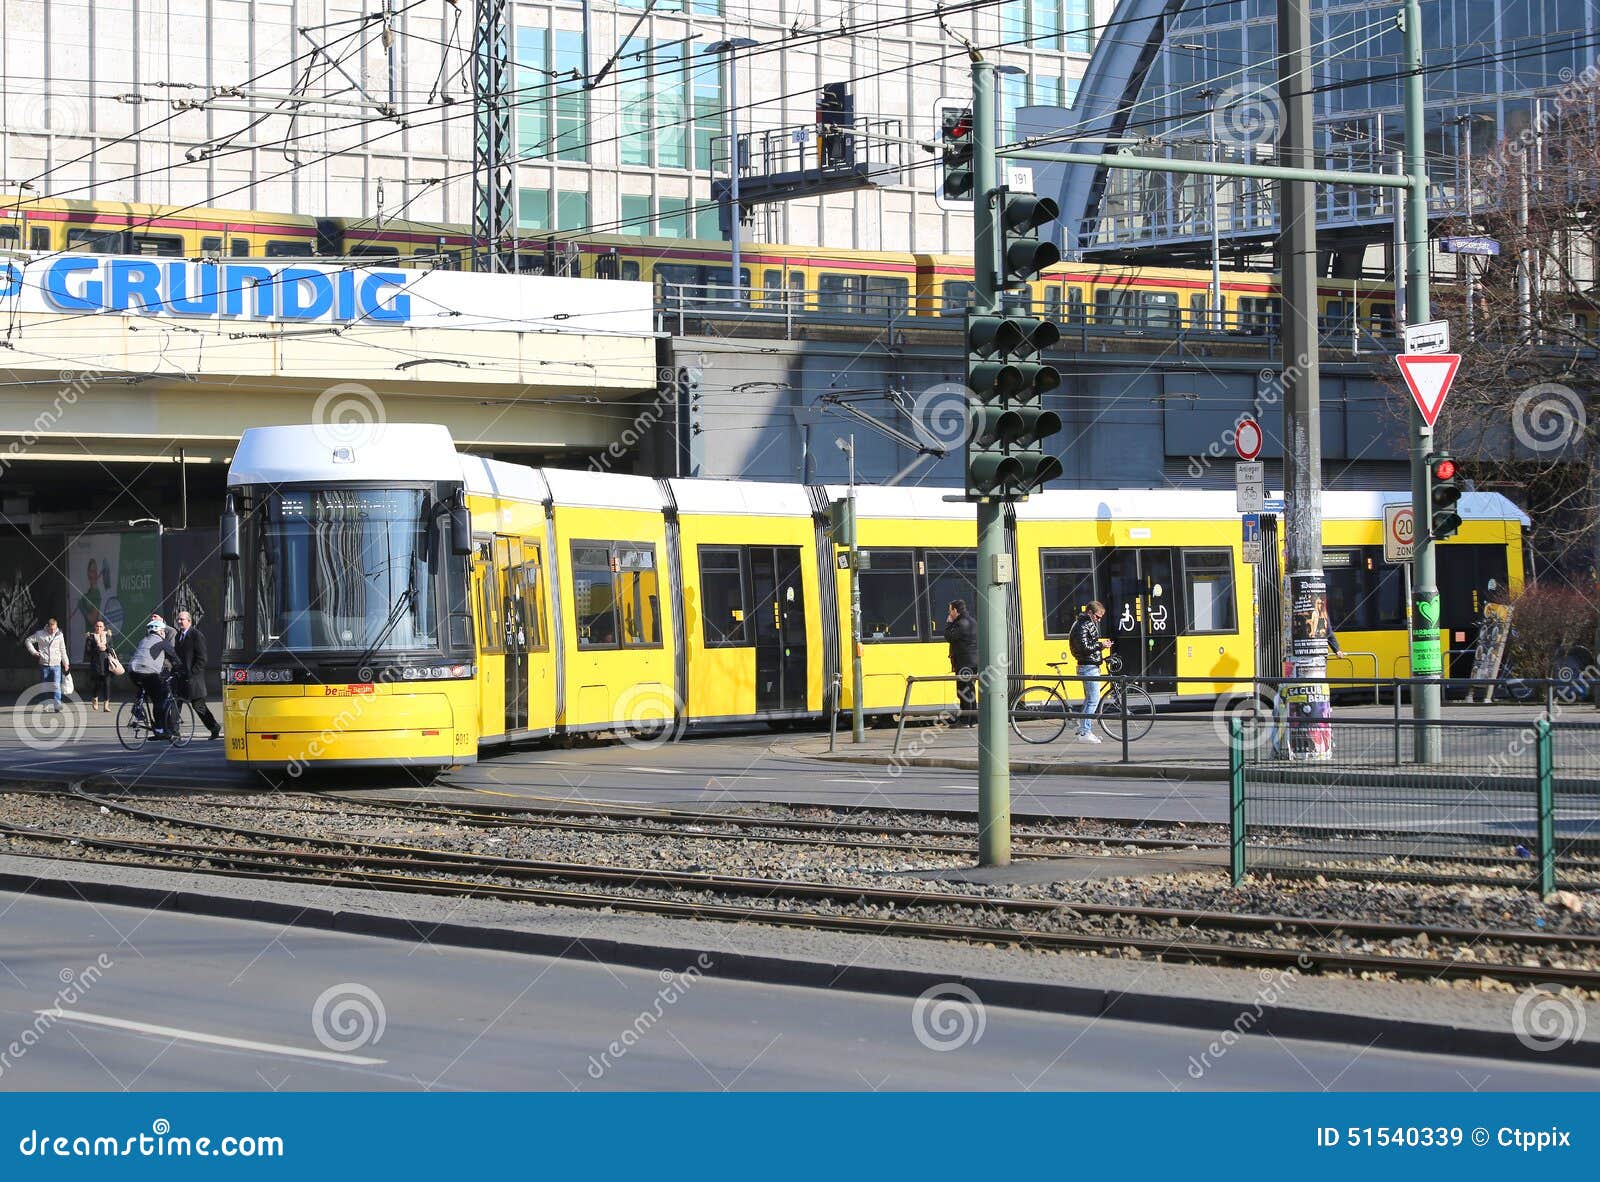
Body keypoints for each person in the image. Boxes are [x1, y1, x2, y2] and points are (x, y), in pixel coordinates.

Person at [173, 610, 222, 740]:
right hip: (181, 677)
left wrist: (192, 673)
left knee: (198, 706)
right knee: (176, 703)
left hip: (194, 679)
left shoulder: (196, 635)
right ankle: (174, 731)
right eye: (178, 619)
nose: (179, 622)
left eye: (182, 619)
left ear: (189, 621)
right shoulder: (178, 636)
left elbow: (202, 659)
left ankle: (214, 727)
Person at [128, 616, 180, 738]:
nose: (164, 633)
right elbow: (174, 657)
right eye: (163, 632)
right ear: (161, 631)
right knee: (160, 698)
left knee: (144, 689)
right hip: (148, 672)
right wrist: (181, 669)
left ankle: (137, 708)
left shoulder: (143, 640)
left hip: (132, 671)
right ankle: (160, 730)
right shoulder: (163, 642)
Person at [1068, 600, 1110, 743]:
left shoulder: (1084, 624)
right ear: (1090, 612)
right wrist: (1100, 645)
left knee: (1089, 700)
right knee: (1093, 700)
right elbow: (1084, 647)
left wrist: (1101, 646)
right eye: (1097, 617)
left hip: (1089, 666)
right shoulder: (1083, 625)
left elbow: (1086, 646)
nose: (1098, 620)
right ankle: (1085, 732)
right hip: (1088, 667)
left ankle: (1083, 731)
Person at [943, 599, 979, 726]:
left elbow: (949, 637)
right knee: (970, 691)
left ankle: (964, 720)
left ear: (955, 610)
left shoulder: (961, 623)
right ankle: (973, 719)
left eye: (950, 610)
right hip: (973, 662)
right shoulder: (972, 621)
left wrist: (948, 623)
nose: (949, 613)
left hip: (964, 663)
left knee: (963, 691)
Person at [25, 618, 69, 712]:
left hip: (56, 664)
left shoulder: (59, 635)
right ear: (47, 627)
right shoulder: (40, 634)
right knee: (44, 685)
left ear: (56, 627)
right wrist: (34, 652)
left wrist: (66, 663)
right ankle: (45, 704)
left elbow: (63, 649)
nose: (52, 631)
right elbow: (28, 641)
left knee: (56, 685)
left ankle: (57, 704)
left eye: (54, 629)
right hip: (44, 664)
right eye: (51, 629)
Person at [83, 618, 114, 711]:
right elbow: (87, 652)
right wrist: (98, 648)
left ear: (104, 627)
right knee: (97, 684)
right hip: (96, 664)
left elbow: (112, 649)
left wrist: (106, 647)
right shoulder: (91, 637)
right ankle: (95, 698)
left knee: (107, 684)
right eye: (97, 626)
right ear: (94, 627)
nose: (99, 628)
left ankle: (106, 705)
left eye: (101, 626)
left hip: (107, 664)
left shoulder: (108, 636)